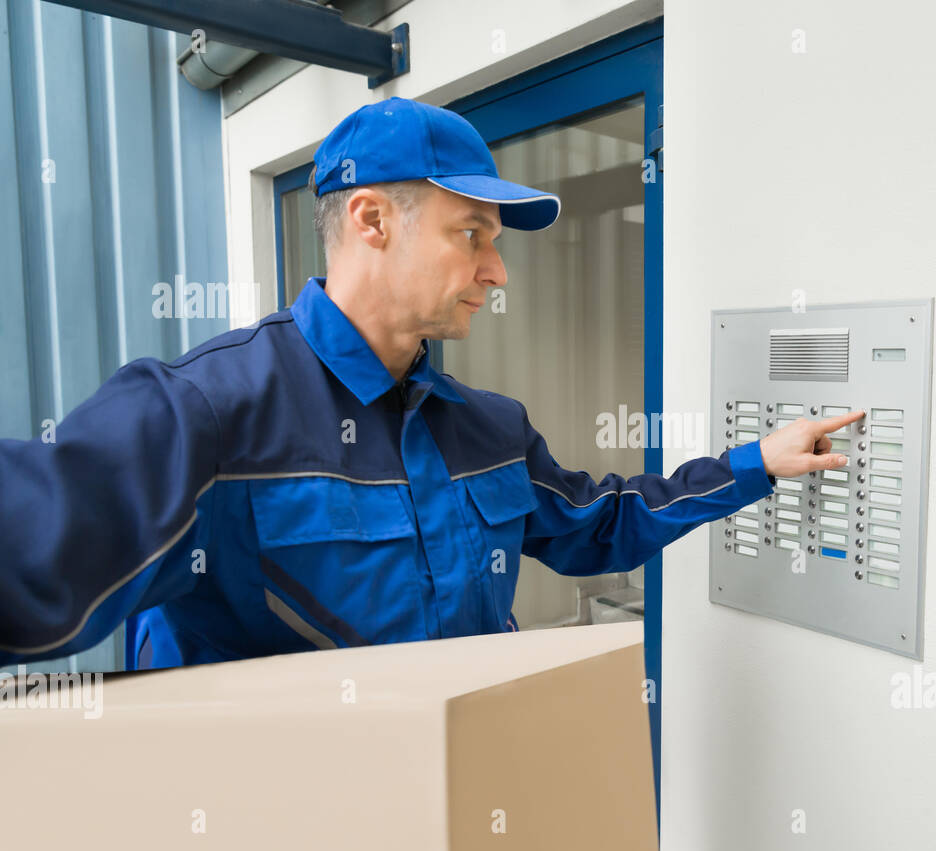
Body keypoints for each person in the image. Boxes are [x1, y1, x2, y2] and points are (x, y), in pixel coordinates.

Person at [0, 96, 858, 669]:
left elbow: (602, 525)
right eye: (473, 233)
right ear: (372, 219)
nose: (497, 272)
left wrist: (755, 463)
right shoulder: (211, 413)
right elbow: (37, 542)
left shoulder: (487, 427)